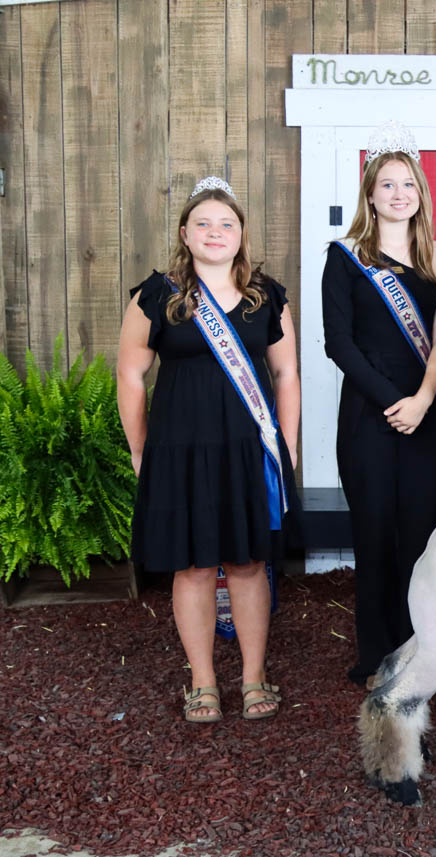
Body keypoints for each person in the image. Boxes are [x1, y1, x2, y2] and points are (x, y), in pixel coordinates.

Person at [118, 176, 300, 723]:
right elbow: (130, 373)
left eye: (227, 224)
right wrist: (138, 448)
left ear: (241, 234)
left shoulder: (265, 295)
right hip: (180, 450)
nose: (215, 232)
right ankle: (202, 682)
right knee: (193, 568)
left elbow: (287, 371)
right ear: (184, 233)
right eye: (204, 223)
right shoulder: (158, 294)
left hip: (247, 450)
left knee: (247, 564)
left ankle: (252, 676)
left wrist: (285, 446)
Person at [321, 121, 436, 687]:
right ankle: (376, 654)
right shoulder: (346, 257)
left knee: (421, 538)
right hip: (368, 416)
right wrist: (392, 402)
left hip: (423, 415)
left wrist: (423, 399)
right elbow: (339, 343)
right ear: (370, 194)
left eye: (408, 184)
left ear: (420, 193)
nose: (399, 193)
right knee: (375, 535)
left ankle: (420, 649)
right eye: (387, 185)